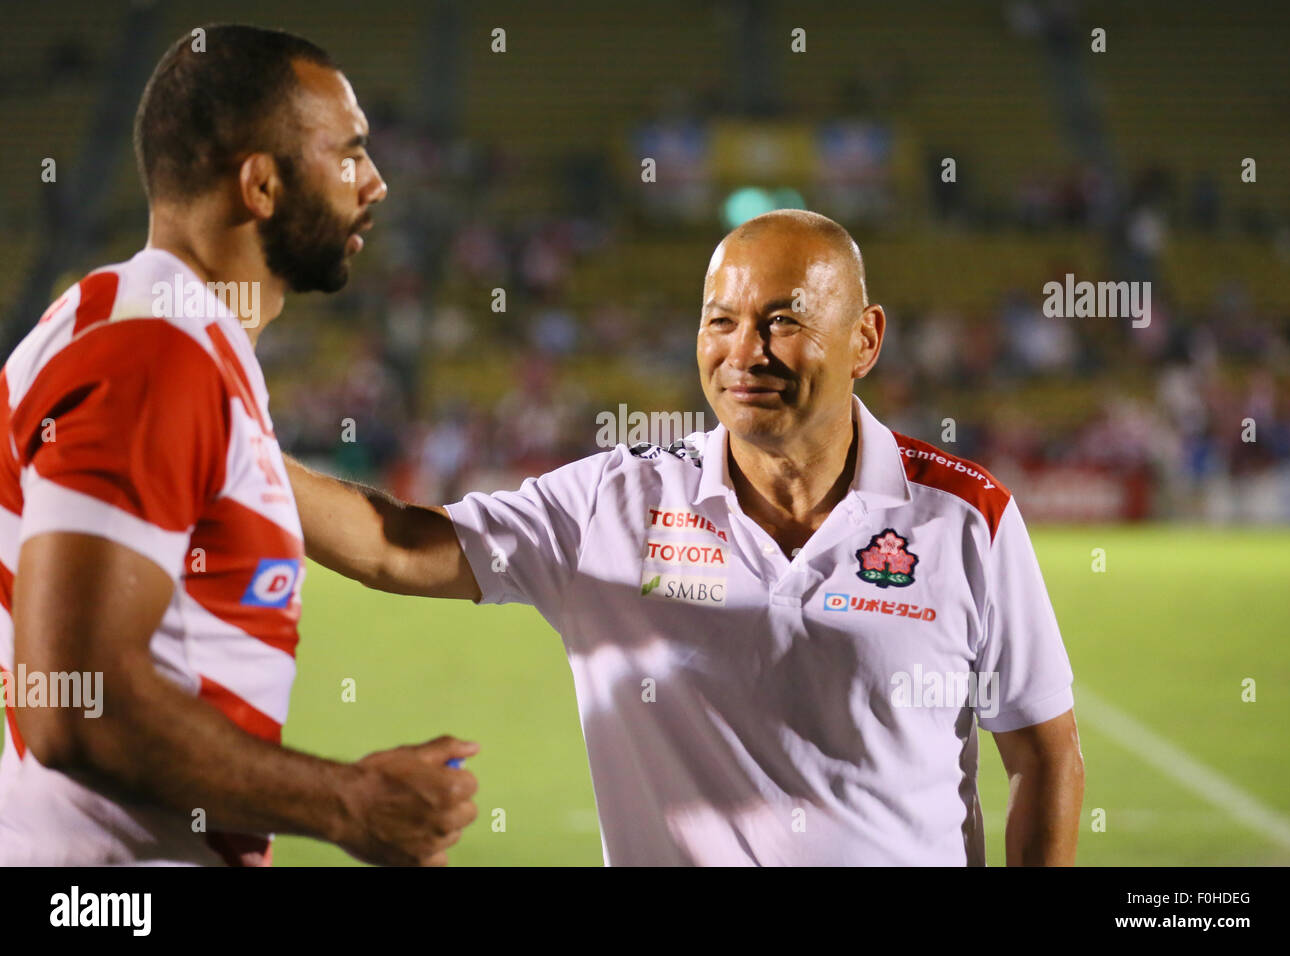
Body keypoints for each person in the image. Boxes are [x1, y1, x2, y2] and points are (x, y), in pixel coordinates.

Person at [287, 209, 1085, 866]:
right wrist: (228, 447)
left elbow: (1044, 757)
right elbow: (392, 545)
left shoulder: (962, 516)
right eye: (721, 321)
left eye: (783, 321)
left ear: (866, 340)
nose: (745, 353)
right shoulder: (613, 504)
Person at [0, 25, 477, 866]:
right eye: (350, 153)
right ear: (261, 183)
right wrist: (350, 803)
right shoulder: (156, 353)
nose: (376, 182)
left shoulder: (133, 324)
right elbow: (73, 703)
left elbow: (380, 544)